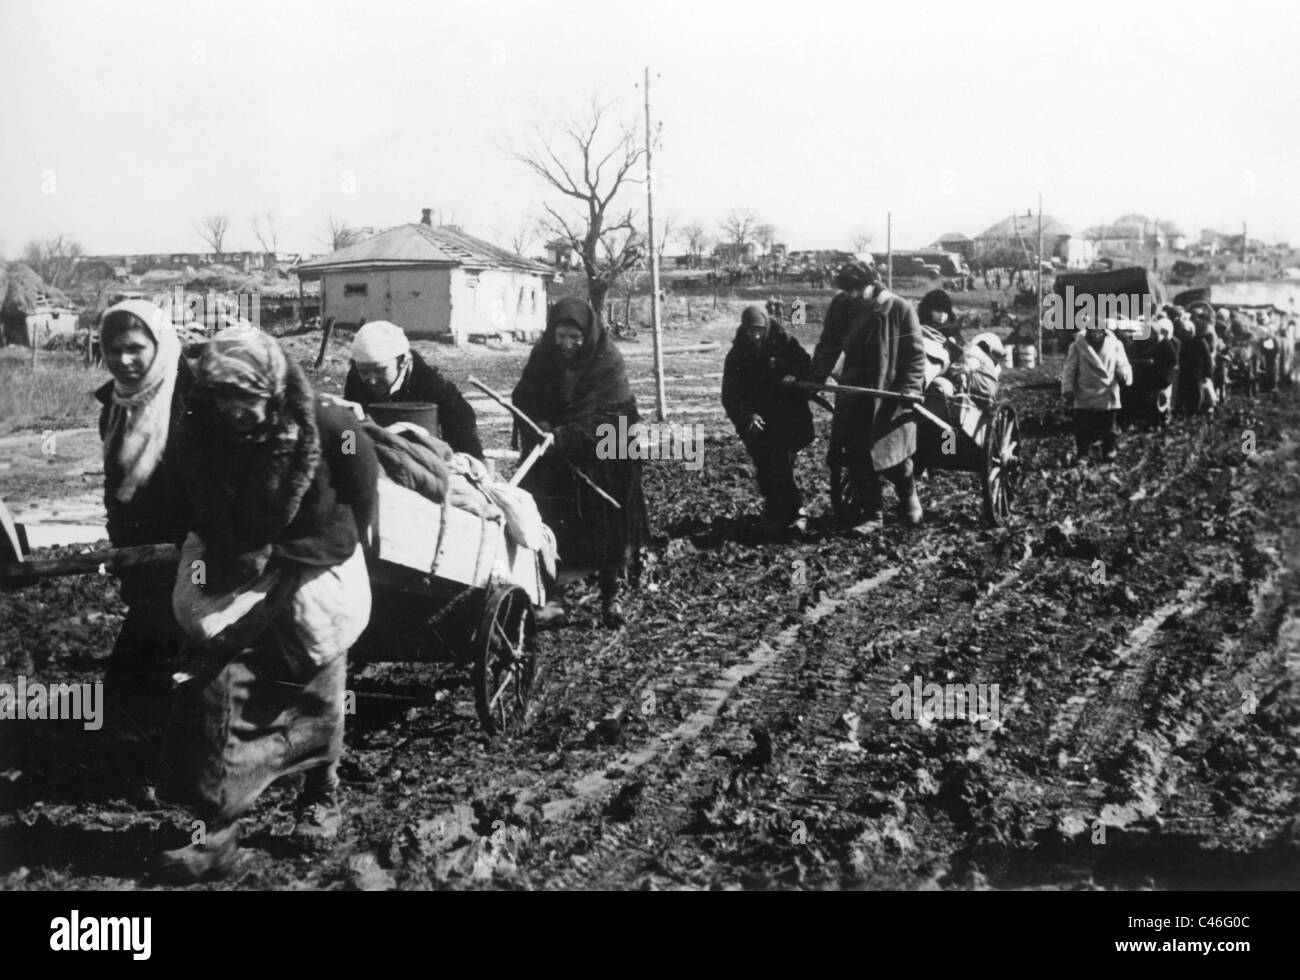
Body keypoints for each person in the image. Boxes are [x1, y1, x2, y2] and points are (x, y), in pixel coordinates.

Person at [160, 326, 378, 881]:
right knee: (214, 678)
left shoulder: (330, 424)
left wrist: (320, 556)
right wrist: (229, 558)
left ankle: (319, 795)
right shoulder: (197, 426)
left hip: (315, 548)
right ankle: (216, 832)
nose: (235, 411)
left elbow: (362, 488)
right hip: (236, 549)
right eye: (222, 398)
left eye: (247, 398)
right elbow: (193, 492)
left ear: (272, 390)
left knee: (319, 671)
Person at [93, 300, 194, 802]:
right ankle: (140, 763)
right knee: (151, 651)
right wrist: (122, 546)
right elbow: (117, 484)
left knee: (159, 654)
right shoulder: (115, 405)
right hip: (143, 555)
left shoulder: (194, 398)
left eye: (136, 348)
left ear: (160, 345)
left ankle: (159, 768)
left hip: (196, 552)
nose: (125, 360)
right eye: (114, 349)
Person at [511, 297, 649, 628]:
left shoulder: (607, 360)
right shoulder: (543, 356)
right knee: (546, 519)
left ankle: (610, 596)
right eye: (560, 337)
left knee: (606, 517)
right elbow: (524, 397)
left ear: (587, 335)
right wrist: (542, 426)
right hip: (552, 449)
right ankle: (554, 599)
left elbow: (613, 414)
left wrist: (569, 435)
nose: (567, 344)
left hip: (604, 450)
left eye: (574, 337)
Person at [812, 259, 926, 532]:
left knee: (892, 458)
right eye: (847, 290)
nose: (851, 296)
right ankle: (872, 515)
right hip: (853, 390)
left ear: (872, 285)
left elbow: (915, 356)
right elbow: (828, 345)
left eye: (856, 290)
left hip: (889, 394)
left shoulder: (898, 308)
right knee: (856, 453)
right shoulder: (841, 306)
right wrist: (814, 378)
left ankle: (909, 498)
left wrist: (910, 388)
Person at [721, 305, 814, 535]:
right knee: (765, 464)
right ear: (743, 330)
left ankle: (796, 513)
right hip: (758, 418)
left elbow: (806, 366)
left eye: (759, 331)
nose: (755, 336)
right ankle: (774, 511)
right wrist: (746, 415)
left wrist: (794, 376)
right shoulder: (737, 355)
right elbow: (730, 394)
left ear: (767, 327)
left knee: (780, 462)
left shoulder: (784, 343)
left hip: (788, 414)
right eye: (750, 331)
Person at [343, 320, 484, 460]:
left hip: (421, 458)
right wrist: (348, 456)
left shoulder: (431, 384)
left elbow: (463, 428)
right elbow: (348, 427)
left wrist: (468, 463)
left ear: (403, 361)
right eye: (364, 372)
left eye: (380, 370)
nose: (372, 380)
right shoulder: (356, 379)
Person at [1061, 320, 1132, 462]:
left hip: (1107, 390)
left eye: (1100, 331)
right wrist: (1068, 388)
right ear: (1088, 332)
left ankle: (1109, 450)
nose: (1097, 334)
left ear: (1105, 332)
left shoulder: (1115, 345)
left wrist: (1124, 375)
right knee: (1083, 427)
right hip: (1084, 391)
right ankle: (1083, 453)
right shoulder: (1077, 346)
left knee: (1108, 425)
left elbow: (1122, 363)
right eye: (1093, 331)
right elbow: (1069, 369)